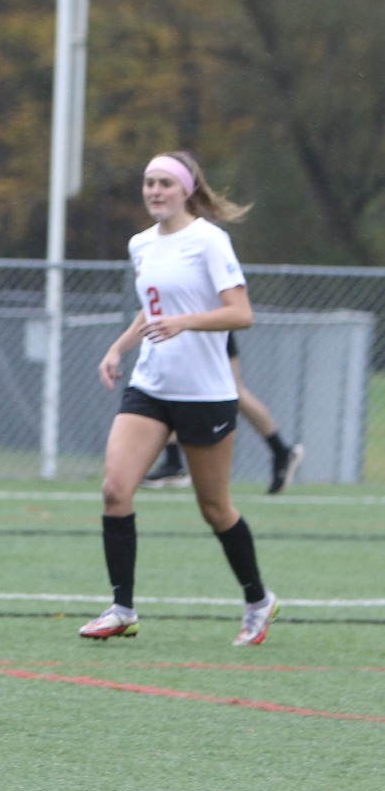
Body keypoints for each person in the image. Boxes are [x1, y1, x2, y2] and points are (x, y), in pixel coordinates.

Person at [85, 151, 279, 647]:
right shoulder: (140, 244)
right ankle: (121, 608)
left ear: (186, 190)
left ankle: (258, 600)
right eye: (148, 182)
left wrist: (186, 322)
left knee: (214, 508)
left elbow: (241, 314)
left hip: (205, 392)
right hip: (150, 386)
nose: (154, 191)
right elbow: (153, 310)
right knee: (114, 490)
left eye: (165, 183)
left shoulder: (209, 242)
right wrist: (118, 347)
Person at [142, 333, 304, 493]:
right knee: (187, 386)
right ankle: (280, 450)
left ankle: (173, 463)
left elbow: (240, 314)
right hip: (197, 327)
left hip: (203, 328)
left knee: (179, 386)